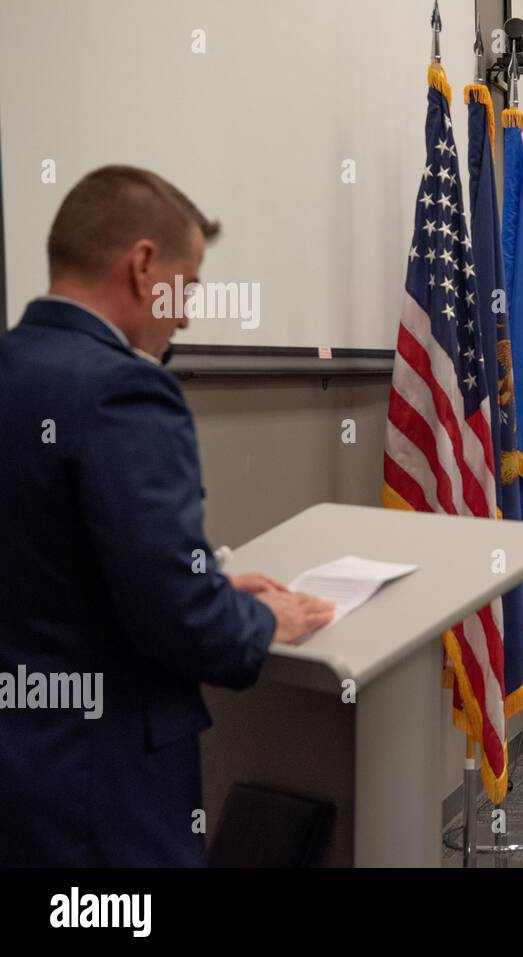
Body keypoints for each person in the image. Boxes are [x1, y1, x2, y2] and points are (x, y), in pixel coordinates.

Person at [0, 165, 334, 867]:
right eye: (189, 286)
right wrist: (268, 618)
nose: (184, 314)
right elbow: (179, 618)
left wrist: (211, 582)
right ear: (145, 264)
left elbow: (53, 556)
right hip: (104, 791)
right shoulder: (125, 390)